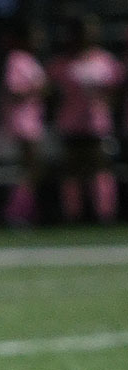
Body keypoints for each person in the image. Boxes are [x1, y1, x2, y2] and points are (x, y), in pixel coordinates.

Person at [47, 14, 125, 223]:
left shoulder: (105, 61)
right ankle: (73, 215)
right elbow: (52, 94)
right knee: (72, 171)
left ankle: (105, 213)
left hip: (98, 125)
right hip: (70, 124)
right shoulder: (61, 64)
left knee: (101, 168)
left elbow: (116, 91)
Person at [0, 21, 48, 228]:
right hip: (22, 121)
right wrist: (38, 89)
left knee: (31, 168)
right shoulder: (16, 59)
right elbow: (15, 90)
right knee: (30, 168)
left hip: (33, 119)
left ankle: (26, 210)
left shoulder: (30, 59)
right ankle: (17, 211)